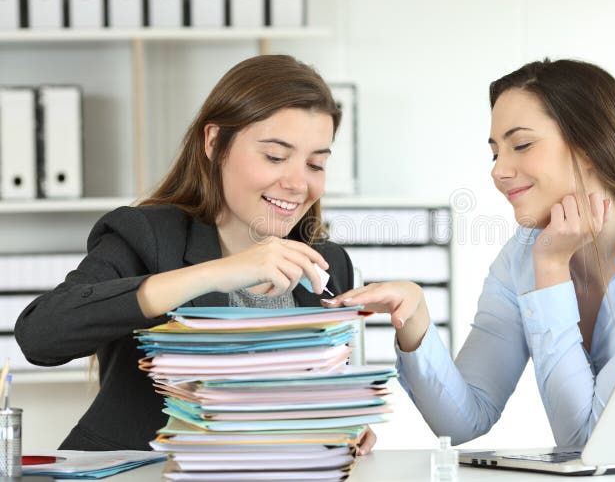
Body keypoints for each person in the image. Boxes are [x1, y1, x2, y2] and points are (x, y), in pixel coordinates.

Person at [324, 59, 615, 447]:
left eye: (520, 145)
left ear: (590, 147)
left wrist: (551, 268)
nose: (497, 170)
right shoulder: (518, 258)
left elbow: (586, 441)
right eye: (494, 152)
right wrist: (414, 318)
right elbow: (463, 422)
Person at [15, 54, 377, 454]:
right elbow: (40, 335)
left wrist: (337, 424)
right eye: (275, 157)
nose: (296, 183)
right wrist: (215, 273)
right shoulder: (147, 236)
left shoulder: (326, 263)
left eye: (315, 164)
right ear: (213, 142)